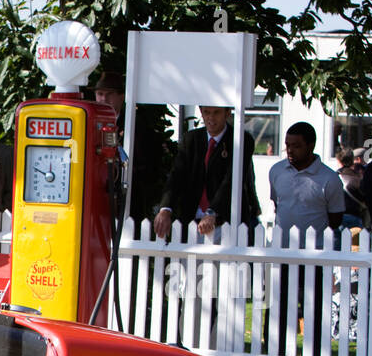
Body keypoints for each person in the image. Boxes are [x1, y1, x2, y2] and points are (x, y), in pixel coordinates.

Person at [267, 122, 345, 355]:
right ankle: (276, 355)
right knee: (279, 309)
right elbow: (276, 204)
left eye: (297, 146)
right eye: (288, 146)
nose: (290, 150)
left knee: (314, 311)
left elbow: (336, 218)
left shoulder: (330, 179)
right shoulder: (277, 171)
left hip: (315, 257)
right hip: (282, 254)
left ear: (311, 145)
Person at [154, 105, 260, 241]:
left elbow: (231, 180)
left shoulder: (241, 140)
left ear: (227, 113)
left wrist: (212, 212)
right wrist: (165, 209)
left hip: (225, 225)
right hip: (192, 223)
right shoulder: (191, 139)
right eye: (206, 112)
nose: (211, 118)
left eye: (216, 113)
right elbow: (176, 176)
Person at [92, 70, 166, 223]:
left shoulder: (134, 125)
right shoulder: (89, 124)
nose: (103, 99)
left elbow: (147, 167)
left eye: (109, 94)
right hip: (95, 197)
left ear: (121, 96)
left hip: (126, 201)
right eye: (100, 93)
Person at [335, 146, 367, 229]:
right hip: (356, 217)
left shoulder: (334, 177)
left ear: (338, 160)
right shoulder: (359, 177)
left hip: (339, 217)